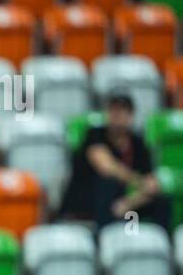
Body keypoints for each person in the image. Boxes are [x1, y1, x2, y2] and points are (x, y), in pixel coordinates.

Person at [66, 93, 171, 231]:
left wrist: (128, 203)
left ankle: (157, 240)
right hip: (88, 202)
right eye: (114, 110)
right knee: (107, 185)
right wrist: (139, 182)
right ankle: (102, 237)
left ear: (131, 115)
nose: (117, 116)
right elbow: (106, 167)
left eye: (122, 111)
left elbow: (152, 184)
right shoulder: (95, 134)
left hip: (122, 204)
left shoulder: (137, 143)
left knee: (162, 201)